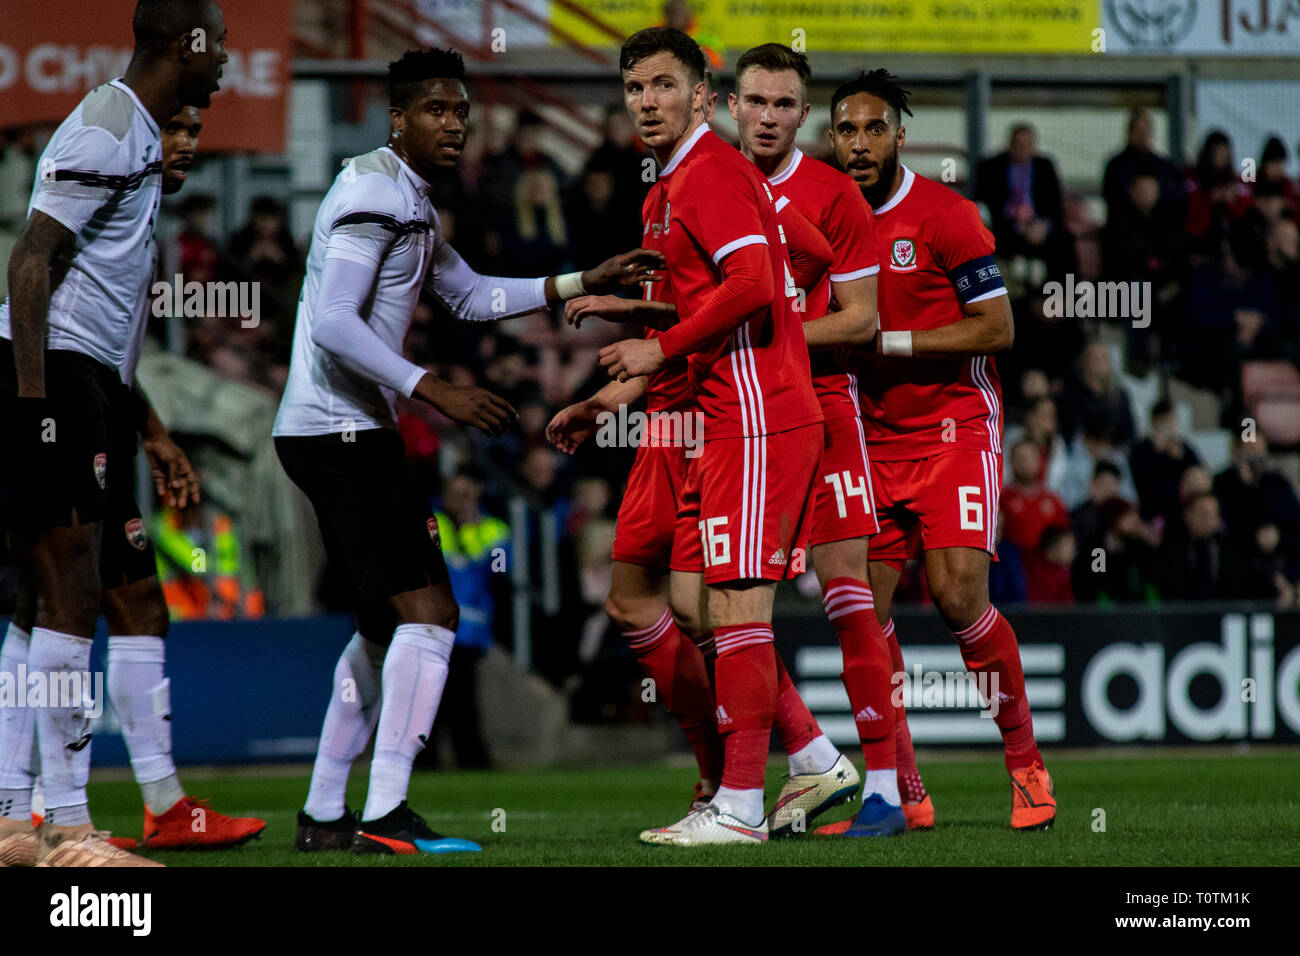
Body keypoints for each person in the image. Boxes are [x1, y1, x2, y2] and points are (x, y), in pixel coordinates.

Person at [273, 47, 660, 856]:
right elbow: (335, 324)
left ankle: (321, 815)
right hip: (340, 430)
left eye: (461, 112)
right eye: (437, 111)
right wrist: (432, 389)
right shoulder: (373, 190)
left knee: (384, 628)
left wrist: (577, 279)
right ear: (398, 117)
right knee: (435, 615)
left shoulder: (408, 198)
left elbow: (471, 292)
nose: (454, 124)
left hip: (341, 429)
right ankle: (384, 816)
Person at [2, 105, 267, 863]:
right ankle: (47, 816)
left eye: (196, 132)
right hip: (51, 398)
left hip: (100, 408)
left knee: (137, 603)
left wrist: (148, 432)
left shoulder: (135, 223)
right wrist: (35, 409)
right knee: (59, 601)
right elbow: (36, 292)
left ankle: (159, 804)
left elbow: (105, 352)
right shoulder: (98, 179)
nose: (187, 144)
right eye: (177, 129)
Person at [597, 27, 827, 846]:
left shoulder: (706, 176)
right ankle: (810, 757)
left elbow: (759, 281)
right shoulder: (682, 182)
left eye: (663, 86)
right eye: (634, 89)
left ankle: (737, 808)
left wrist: (659, 347)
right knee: (710, 604)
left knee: (734, 608)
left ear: (701, 95)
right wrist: (632, 347)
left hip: (759, 413)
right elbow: (779, 260)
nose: (646, 102)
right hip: (726, 415)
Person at [824, 68, 1056, 831]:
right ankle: (903, 787)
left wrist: (883, 338)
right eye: (846, 130)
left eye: (873, 129)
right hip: (870, 436)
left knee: (960, 598)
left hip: (955, 427)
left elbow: (998, 329)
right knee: (866, 613)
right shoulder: (823, 221)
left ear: (899, 135)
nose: (859, 143)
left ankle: (1025, 765)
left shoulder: (948, 215)